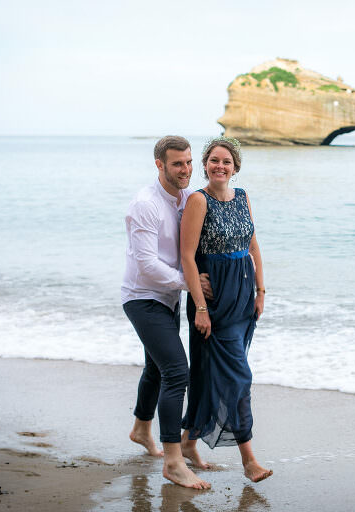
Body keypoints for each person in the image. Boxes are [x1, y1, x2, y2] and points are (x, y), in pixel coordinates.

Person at [179, 136, 273, 483]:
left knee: (212, 375)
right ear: (205, 164)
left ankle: (189, 443)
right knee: (239, 376)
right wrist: (200, 307)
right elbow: (187, 257)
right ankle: (249, 459)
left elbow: (253, 245)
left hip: (243, 297)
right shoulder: (197, 201)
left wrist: (261, 290)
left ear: (235, 167)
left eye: (227, 161)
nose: (220, 166)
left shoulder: (243, 196)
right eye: (214, 160)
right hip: (214, 301)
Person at [121, 135, 212, 489]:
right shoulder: (145, 204)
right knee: (177, 372)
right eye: (178, 164)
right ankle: (174, 461)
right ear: (159, 165)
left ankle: (142, 429)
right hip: (143, 298)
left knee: (155, 368)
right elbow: (145, 265)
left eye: (189, 162)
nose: (186, 170)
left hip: (169, 297)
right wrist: (189, 283)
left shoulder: (188, 197)